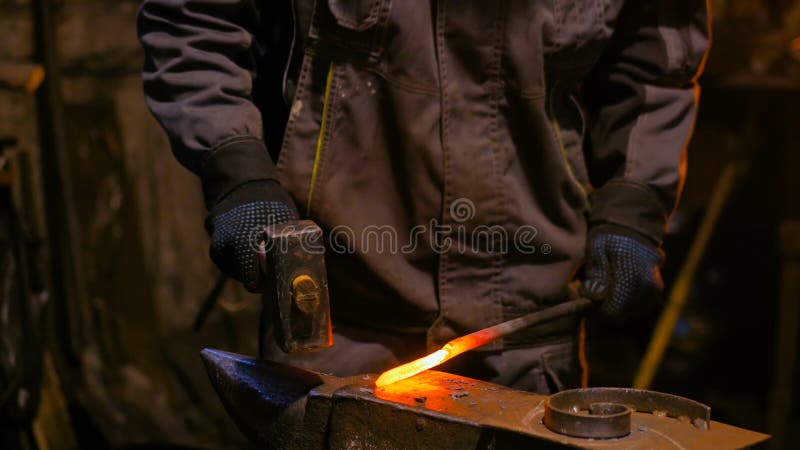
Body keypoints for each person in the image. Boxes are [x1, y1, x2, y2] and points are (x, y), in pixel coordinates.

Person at [138, 0, 709, 393]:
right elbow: (195, 21)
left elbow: (656, 57)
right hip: (338, 327)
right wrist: (236, 168)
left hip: (532, 336)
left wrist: (634, 199)